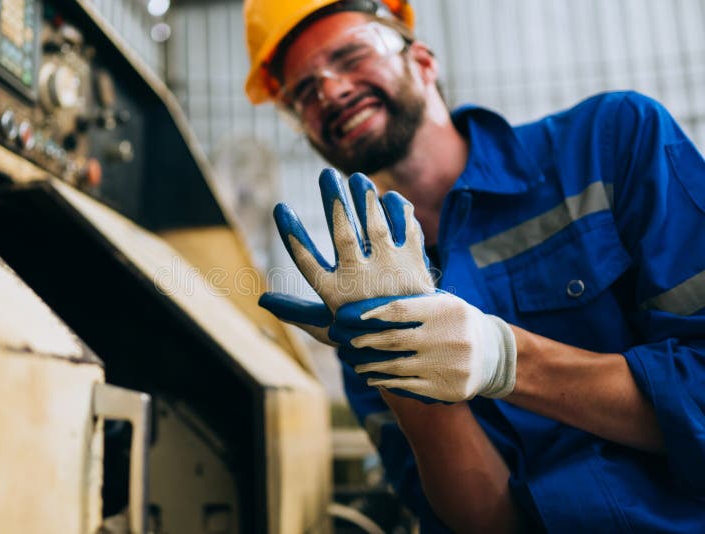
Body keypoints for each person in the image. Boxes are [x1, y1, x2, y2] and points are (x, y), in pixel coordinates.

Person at [243, 0, 705, 531]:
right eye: (305, 91)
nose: (330, 91)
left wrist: (503, 358)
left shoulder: (609, 146)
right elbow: (483, 522)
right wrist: (404, 376)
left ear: (422, 60)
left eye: (350, 56)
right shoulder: (359, 306)